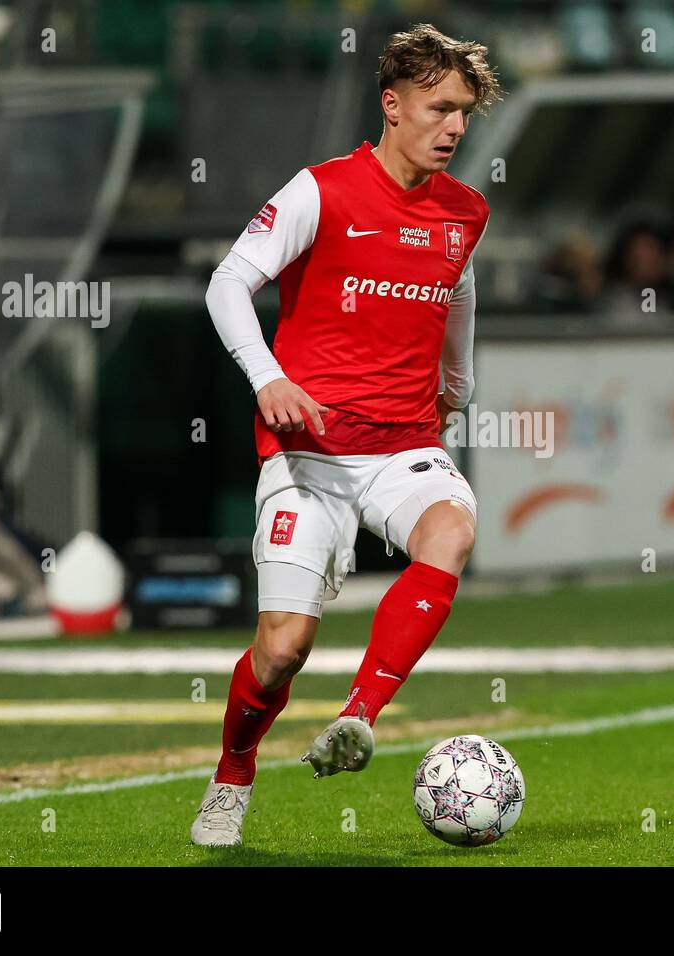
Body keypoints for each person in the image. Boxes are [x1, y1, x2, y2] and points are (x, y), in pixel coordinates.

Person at [193, 23, 501, 846]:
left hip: (404, 446)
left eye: (465, 113)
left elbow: (458, 289)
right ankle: (233, 770)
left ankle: (360, 717)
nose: (455, 129)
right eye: (441, 109)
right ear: (391, 105)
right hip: (310, 454)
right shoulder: (321, 191)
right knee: (282, 649)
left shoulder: (464, 212)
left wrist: (459, 388)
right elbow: (230, 283)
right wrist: (268, 378)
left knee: (452, 532)